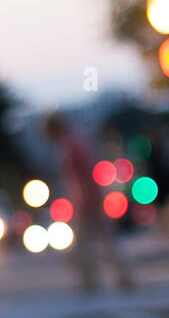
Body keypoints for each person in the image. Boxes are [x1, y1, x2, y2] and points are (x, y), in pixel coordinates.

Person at [43, 113, 132, 292]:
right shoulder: (74, 141)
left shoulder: (71, 143)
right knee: (100, 241)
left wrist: (86, 198)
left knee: (85, 245)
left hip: (86, 201)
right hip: (87, 199)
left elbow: (85, 172)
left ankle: (93, 280)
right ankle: (115, 277)